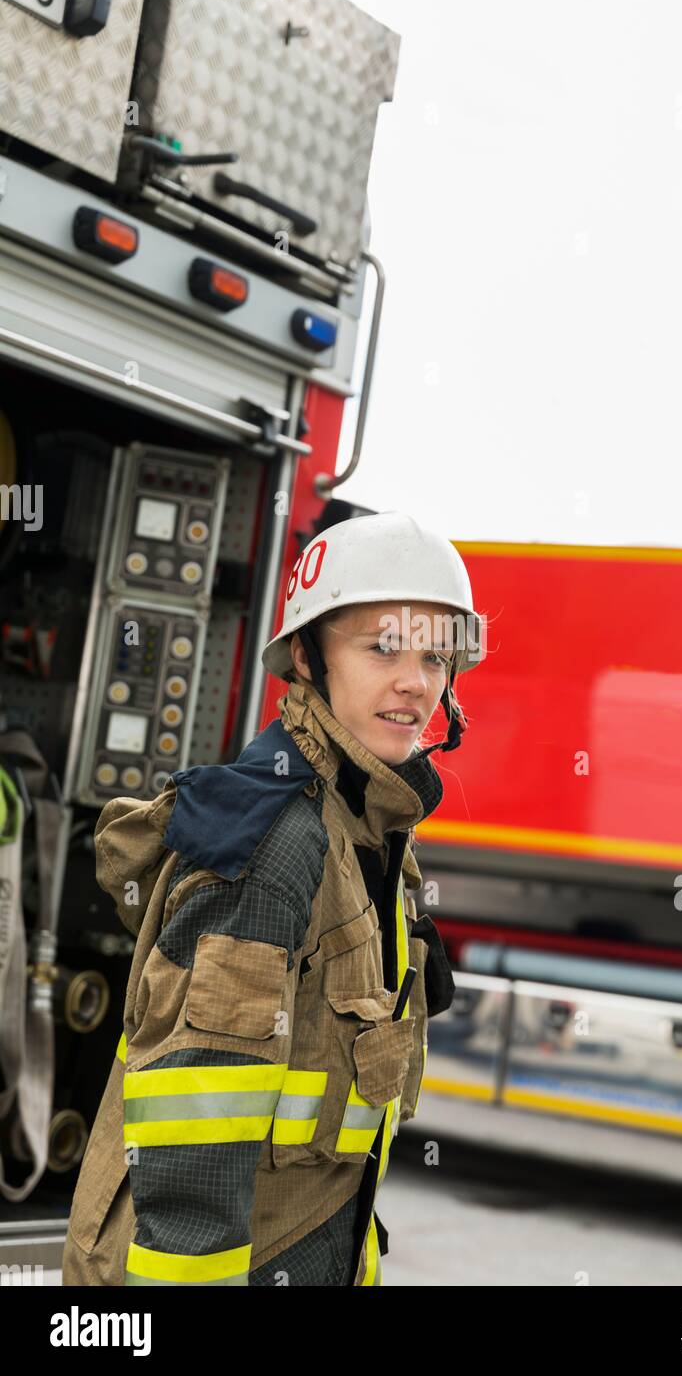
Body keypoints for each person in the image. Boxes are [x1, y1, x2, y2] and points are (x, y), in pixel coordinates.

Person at [61, 510, 485, 1286]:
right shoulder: (279, 847)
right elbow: (194, 1152)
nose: (416, 682)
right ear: (306, 655)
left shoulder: (368, 824)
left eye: (435, 654)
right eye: (381, 647)